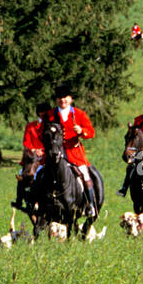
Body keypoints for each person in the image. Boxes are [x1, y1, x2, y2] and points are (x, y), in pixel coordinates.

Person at [47, 84, 98, 217]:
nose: (62, 101)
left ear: (71, 99)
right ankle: (36, 202)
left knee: (85, 175)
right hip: (54, 154)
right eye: (59, 98)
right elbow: (42, 133)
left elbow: (91, 132)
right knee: (40, 174)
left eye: (65, 98)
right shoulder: (50, 114)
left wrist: (82, 131)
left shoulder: (79, 114)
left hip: (74, 153)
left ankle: (90, 205)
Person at [13, 101, 50, 210]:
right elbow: (26, 143)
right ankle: (19, 200)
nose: (43, 117)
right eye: (42, 114)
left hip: (46, 158)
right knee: (21, 175)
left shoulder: (52, 126)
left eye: (45, 115)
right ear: (38, 114)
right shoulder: (30, 126)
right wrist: (34, 150)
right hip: (32, 159)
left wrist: (43, 151)